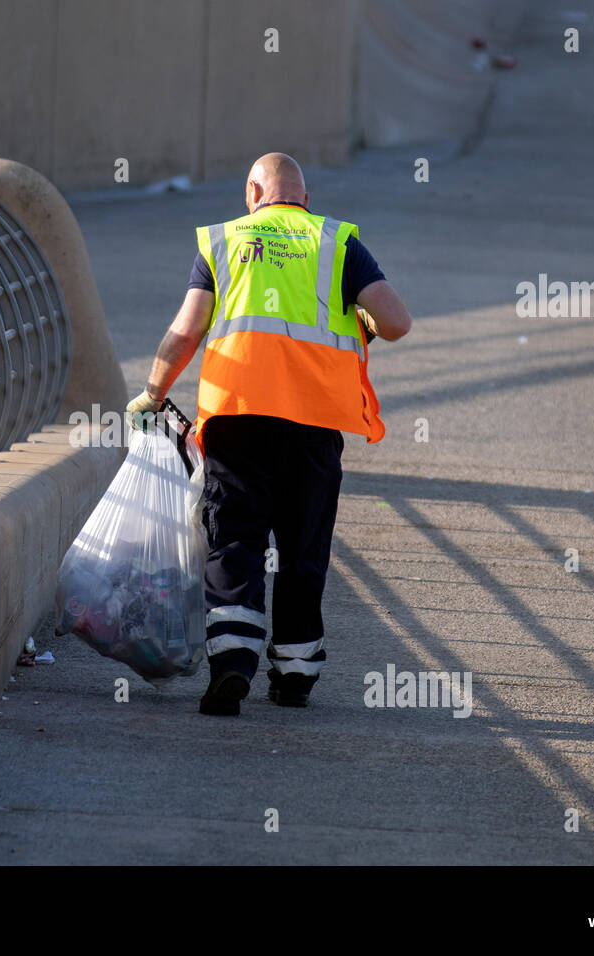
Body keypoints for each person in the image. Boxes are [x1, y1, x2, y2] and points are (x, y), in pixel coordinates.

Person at [126, 152, 412, 716]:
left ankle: (232, 664)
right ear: (303, 197)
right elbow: (396, 322)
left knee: (235, 540)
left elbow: (186, 330)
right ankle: (296, 678)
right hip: (313, 424)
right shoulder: (337, 243)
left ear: (254, 191)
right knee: (304, 550)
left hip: (237, 419)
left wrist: (153, 393)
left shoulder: (225, 241)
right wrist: (366, 322)